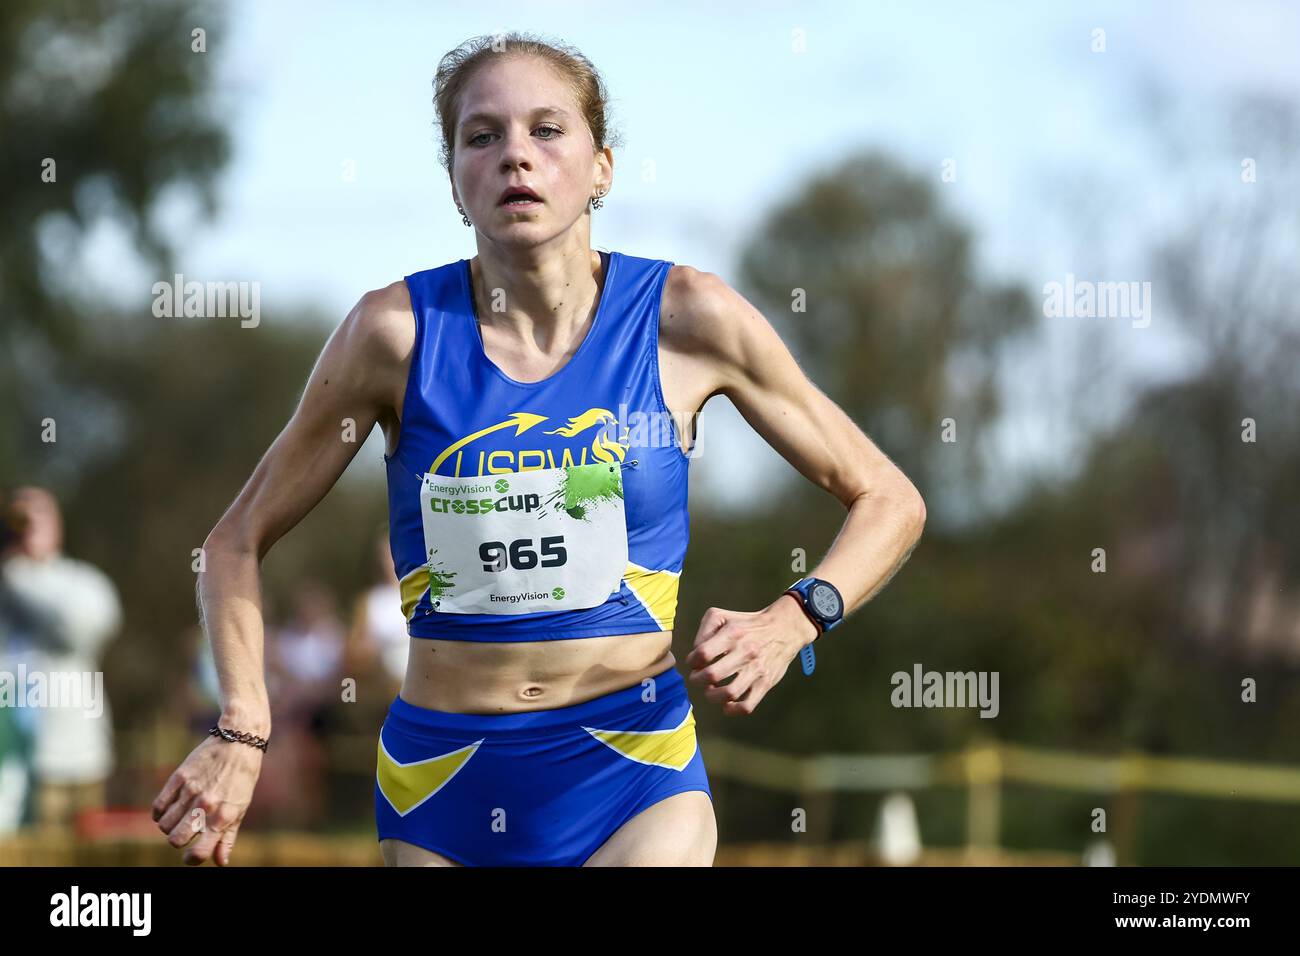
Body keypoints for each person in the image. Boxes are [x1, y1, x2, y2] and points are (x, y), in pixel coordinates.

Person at [151, 32, 926, 867]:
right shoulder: (394, 336)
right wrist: (242, 724)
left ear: (603, 167)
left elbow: (890, 498)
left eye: (547, 130)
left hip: (634, 772)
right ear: (455, 177)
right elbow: (233, 541)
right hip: (442, 783)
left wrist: (795, 619)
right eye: (482, 136)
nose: (515, 155)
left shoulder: (689, 320)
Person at [0, 486, 121, 829]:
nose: (28, 528)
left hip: (81, 755)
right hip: (16, 764)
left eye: (36, 517)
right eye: (18, 520)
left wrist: (20, 573)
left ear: (58, 525)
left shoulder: (80, 581)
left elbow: (76, 629)